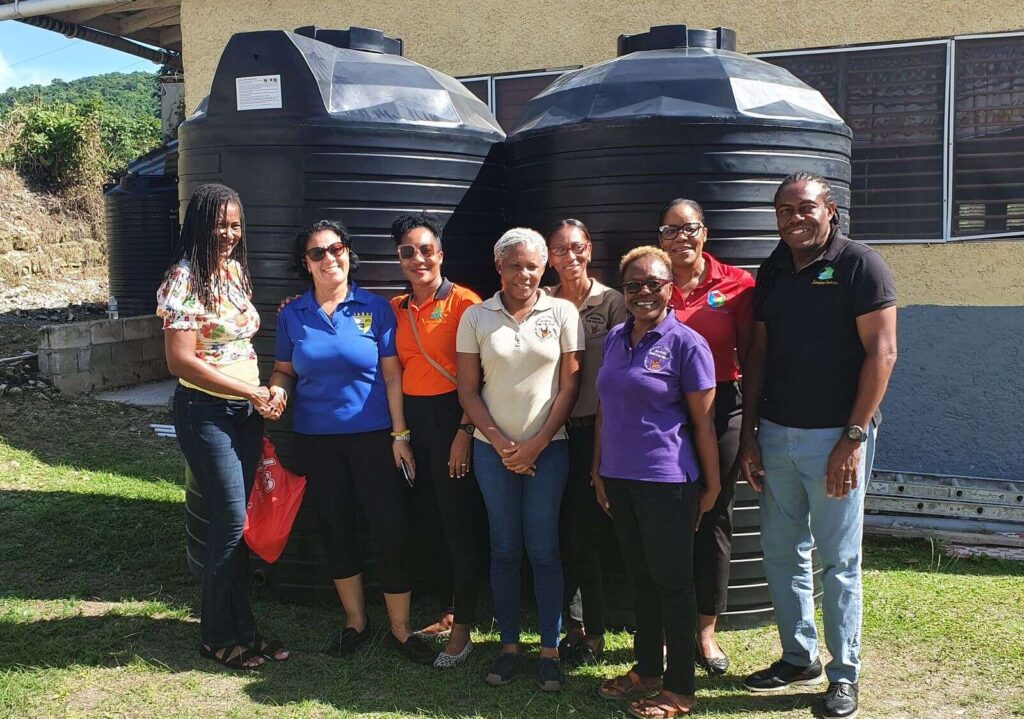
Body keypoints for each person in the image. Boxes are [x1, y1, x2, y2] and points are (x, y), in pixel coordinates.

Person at [737, 172, 897, 719]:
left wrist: (853, 437)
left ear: (830, 208)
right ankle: (797, 656)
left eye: (804, 207)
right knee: (783, 554)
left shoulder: (860, 265)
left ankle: (843, 675)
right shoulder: (774, 269)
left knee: (838, 561)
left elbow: (883, 353)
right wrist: (752, 433)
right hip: (777, 435)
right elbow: (758, 355)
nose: (793, 218)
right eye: (783, 209)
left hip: (836, 438)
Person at [267, 219, 435, 665]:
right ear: (305, 264)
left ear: (348, 253)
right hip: (317, 440)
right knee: (336, 528)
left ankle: (400, 628)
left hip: (375, 438)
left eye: (336, 249)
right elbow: (284, 369)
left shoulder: (375, 310)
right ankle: (355, 623)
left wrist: (400, 435)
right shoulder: (292, 314)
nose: (329, 259)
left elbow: (392, 374)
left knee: (390, 529)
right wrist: (278, 390)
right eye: (317, 253)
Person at [157, 183, 288, 670]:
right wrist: (249, 391)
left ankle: (245, 631)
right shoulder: (184, 278)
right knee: (230, 522)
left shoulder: (233, 272)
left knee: (241, 522)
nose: (229, 233)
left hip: (243, 413)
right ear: (199, 224)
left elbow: (237, 343)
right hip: (205, 413)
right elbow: (180, 361)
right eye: (220, 224)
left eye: (235, 224)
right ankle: (216, 636)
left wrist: (263, 392)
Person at [592, 245, 720, 719]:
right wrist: (598, 468)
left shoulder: (687, 344)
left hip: (669, 482)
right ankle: (647, 671)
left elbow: (704, 424)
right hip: (619, 479)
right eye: (633, 284)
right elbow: (606, 407)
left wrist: (710, 485)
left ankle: (680, 688)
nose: (643, 292)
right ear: (623, 290)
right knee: (640, 578)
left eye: (654, 283)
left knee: (673, 583)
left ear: (670, 288)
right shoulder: (614, 339)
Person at [456, 227, 583, 691]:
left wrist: (535, 443)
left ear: (543, 266)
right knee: (504, 548)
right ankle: (509, 646)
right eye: (515, 265)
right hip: (494, 453)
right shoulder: (476, 317)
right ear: (499, 267)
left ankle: (548, 650)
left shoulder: (563, 311)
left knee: (544, 548)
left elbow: (569, 386)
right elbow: (467, 389)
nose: (524, 274)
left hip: (549, 450)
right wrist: (501, 443)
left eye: (532, 265)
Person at [658, 199, 754, 674]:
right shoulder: (651, 285)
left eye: (688, 229)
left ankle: (704, 631)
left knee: (714, 516)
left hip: (722, 409)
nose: (680, 239)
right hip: (667, 412)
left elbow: (755, 358)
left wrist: (752, 427)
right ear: (660, 240)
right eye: (670, 231)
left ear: (705, 233)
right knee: (667, 517)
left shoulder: (737, 285)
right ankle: (663, 628)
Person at [387, 211, 486, 669]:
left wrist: (464, 432)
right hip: (416, 424)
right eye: (408, 252)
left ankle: (465, 627)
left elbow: (484, 377)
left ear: (441, 254)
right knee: (432, 521)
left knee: (460, 523)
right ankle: (449, 609)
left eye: (426, 249)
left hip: (454, 420)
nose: (417, 258)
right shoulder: (396, 308)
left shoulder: (467, 303)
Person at [543, 219, 626, 667]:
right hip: (551, 432)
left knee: (589, 532)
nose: (568, 257)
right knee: (560, 531)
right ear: (548, 257)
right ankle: (568, 624)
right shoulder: (542, 301)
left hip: (597, 429)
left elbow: (616, 373)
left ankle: (594, 629)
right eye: (559, 250)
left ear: (589, 250)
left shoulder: (611, 302)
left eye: (576, 248)